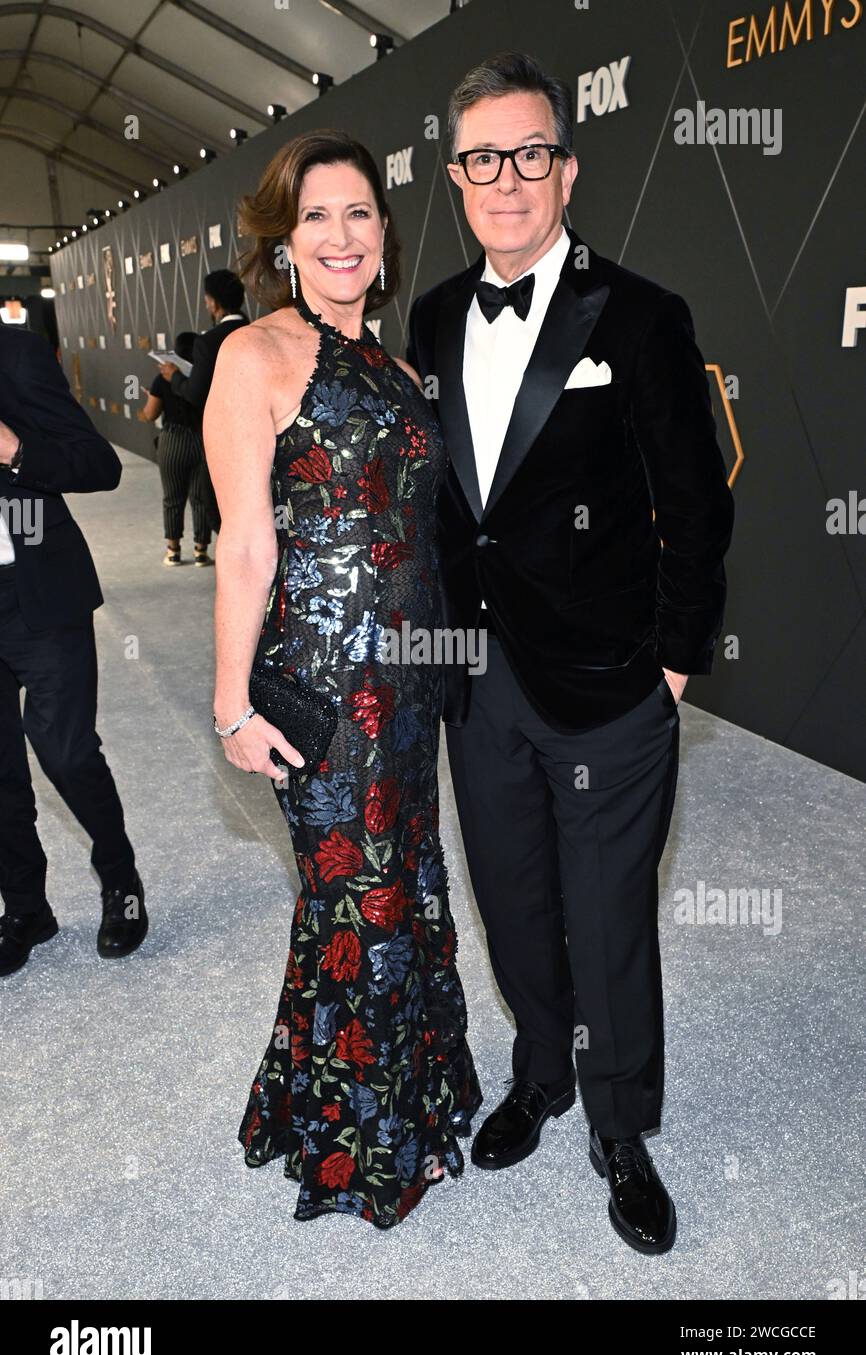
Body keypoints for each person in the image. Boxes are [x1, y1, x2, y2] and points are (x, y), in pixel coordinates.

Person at [407, 52, 735, 1255]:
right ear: (454, 178)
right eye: (482, 159)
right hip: (478, 684)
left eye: (528, 154)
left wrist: (674, 662)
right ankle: (539, 1074)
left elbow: (695, 502)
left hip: (609, 685)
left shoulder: (638, 313)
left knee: (606, 920)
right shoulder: (435, 313)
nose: (507, 179)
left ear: (565, 165)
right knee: (510, 898)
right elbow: (449, 509)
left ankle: (618, 1125)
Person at [205, 130, 482, 1228]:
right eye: (314, 217)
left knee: (401, 888)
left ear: (384, 233)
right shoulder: (256, 355)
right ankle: (357, 1143)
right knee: (355, 900)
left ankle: (391, 1098)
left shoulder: (401, 365)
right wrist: (231, 704)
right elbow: (243, 546)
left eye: (358, 213)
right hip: (322, 691)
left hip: (408, 685)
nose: (338, 235)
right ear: (284, 240)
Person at [0, 325, 148, 974]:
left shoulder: (17, 353)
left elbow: (99, 463)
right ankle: (26, 907)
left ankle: (120, 879)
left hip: (37, 593)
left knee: (64, 751)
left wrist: (14, 452)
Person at [161, 269, 251, 537]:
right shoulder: (257, 331)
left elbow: (195, 393)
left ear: (213, 302)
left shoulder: (208, 342)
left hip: (222, 439)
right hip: (260, 435)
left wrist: (174, 377)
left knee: (217, 511)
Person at [142, 331, 214, 567]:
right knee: (200, 498)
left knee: (172, 497)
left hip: (172, 441)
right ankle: (201, 552)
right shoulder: (204, 377)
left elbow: (150, 413)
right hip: (201, 440)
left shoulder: (162, 378)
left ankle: (173, 552)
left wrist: (145, 405)